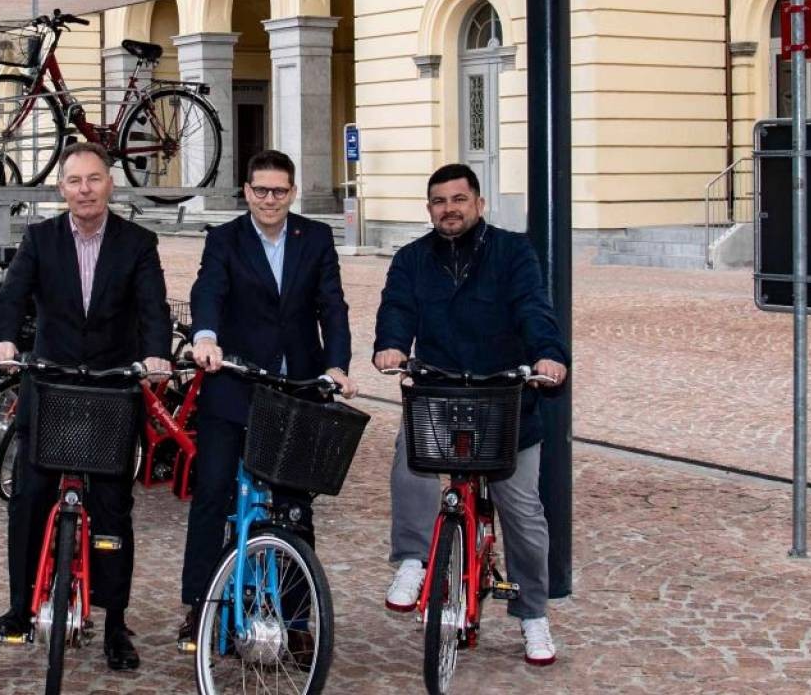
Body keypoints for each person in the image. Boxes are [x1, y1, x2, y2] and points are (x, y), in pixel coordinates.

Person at [0, 141, 172, 673]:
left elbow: (153, 307)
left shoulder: (138, 242)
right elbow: (11, 296)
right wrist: (2, 339)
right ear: (61, 187)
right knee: (29, 496)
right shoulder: (40, 238)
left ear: (110, 183)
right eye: (74, 180)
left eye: (94, 179)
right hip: (52, 382)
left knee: (113, 507)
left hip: (111, 386)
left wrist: (156, 354)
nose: (85, 190)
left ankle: (115, 622)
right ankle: (21, 606)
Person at [372, 163, 569, 667]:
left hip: (504, 397)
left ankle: (532, 613)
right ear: (429, 209)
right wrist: (391, 345)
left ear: (479, 204)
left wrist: (548, 356)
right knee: (411, 462)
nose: (450, 209)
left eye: (459, 199)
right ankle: (414, 559)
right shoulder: (411, 259)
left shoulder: (513, 252)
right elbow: (396, 308)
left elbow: (533, 307)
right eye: (439, 201)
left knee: (522, 511)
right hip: (438, 394)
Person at [177, 149, 355, 646]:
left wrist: (336, 366)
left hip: (294, 390)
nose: (270, 199)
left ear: (292, 192)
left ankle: (296, 622)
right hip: (234, 383)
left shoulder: (314, 238)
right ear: (247, 192)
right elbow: (208, 290)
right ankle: (199, 607)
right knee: (212, 494)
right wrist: (206, 337)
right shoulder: (224, 239)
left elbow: (332, 305)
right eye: (261, 190)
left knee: (295, 506)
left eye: (279, 191)